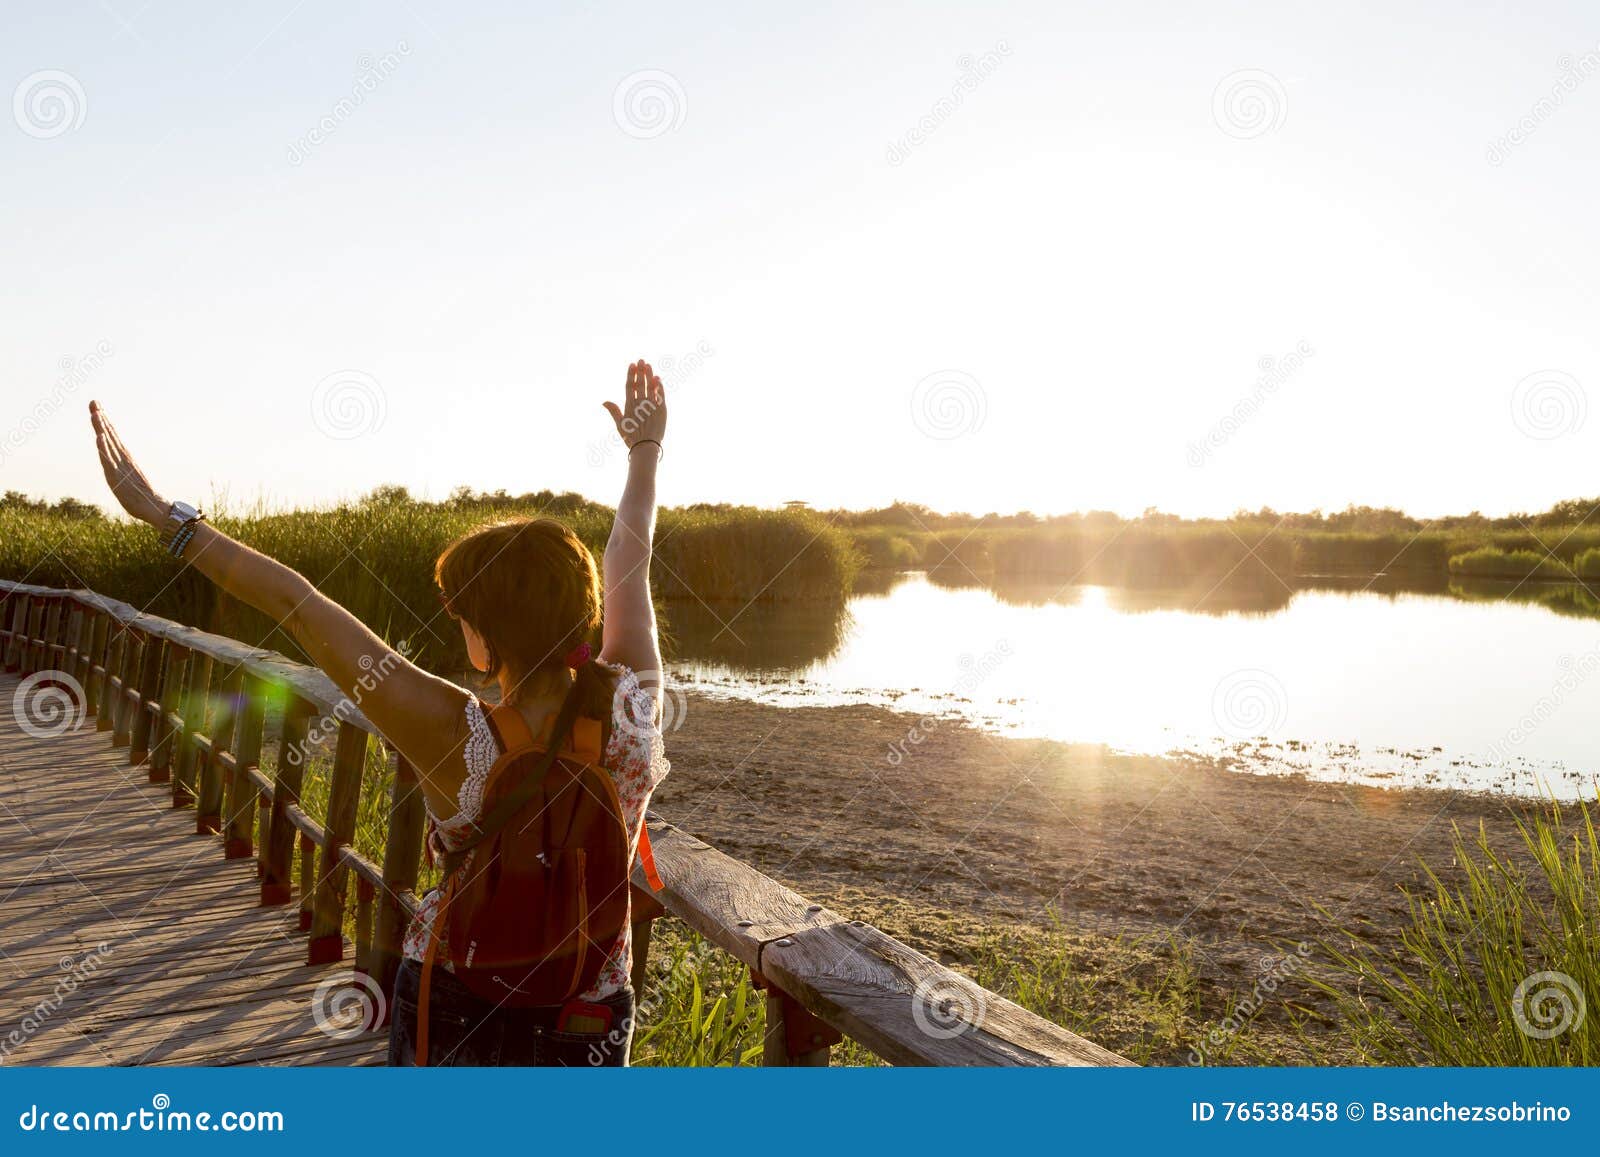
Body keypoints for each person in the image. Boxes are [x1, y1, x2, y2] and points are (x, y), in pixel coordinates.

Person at [88, 360, 671, 1066]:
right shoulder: (634, 710)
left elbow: (297, 605)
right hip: (587, 1011)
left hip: (458, 1000)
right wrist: (645, 451)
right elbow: (628, 556)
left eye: (461, 615)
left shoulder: (450, 729)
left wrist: (166, 517)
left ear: (486, 638)